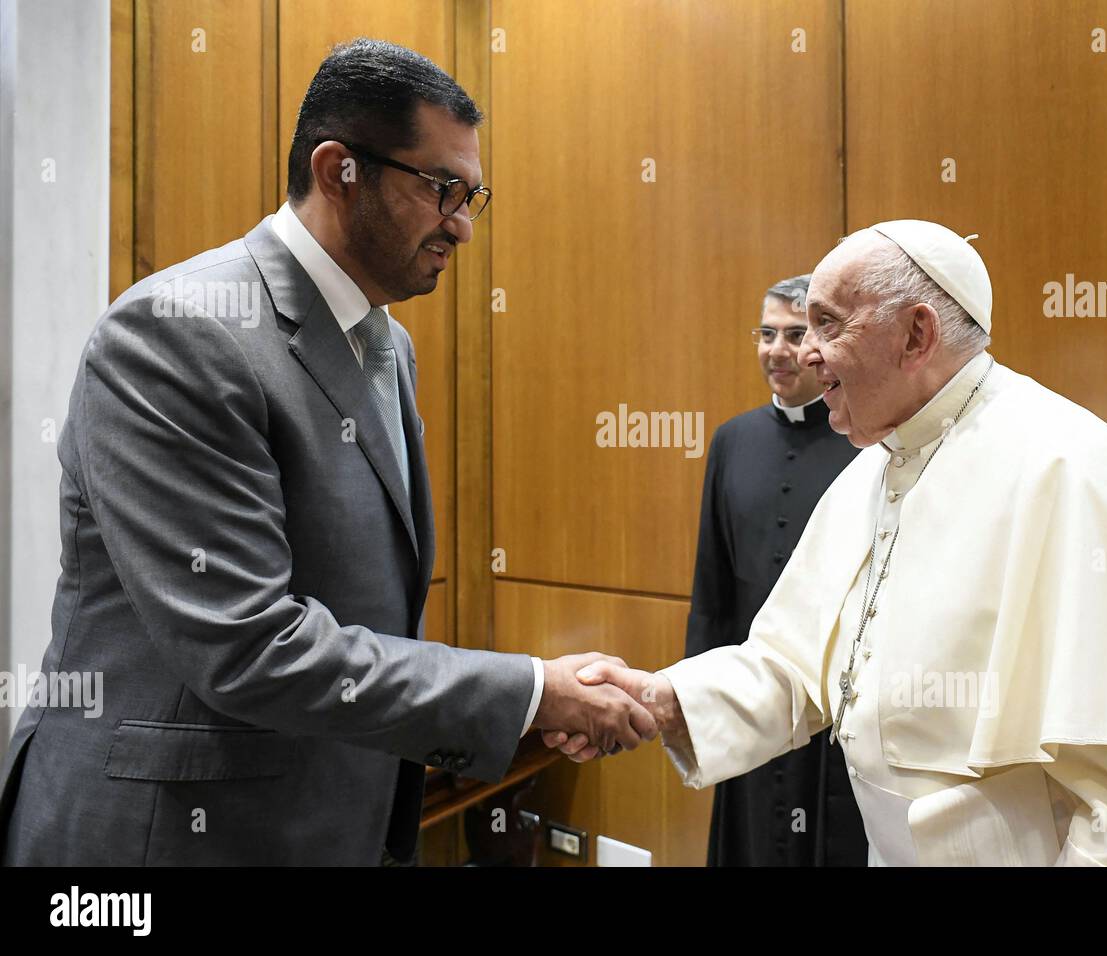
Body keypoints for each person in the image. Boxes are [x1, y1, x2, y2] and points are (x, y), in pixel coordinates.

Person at [0, 38, 654, 867]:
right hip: (165, 838)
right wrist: (526, 693)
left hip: (322, 820)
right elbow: (246, 643)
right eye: (441, 188)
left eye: (472, 195)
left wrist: (524, 697)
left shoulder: (388, 345)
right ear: (340, 167)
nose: (461, 224)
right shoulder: (179, 334)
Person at [546, 220, 1107, 866]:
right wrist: (665, 700)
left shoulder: (1072, 469)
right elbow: (795, 664)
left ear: (916, 334)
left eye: (829, 324)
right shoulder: (875, 468)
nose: (806, 353)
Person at [686, 274, 865, 866]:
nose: (776, 351)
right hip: (750, 697)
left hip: (831, 715)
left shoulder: (866, 445)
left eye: (794, 334)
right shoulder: (731, 440)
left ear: (821, 345)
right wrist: (697, 697)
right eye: (766, 334)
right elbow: (711, 588)